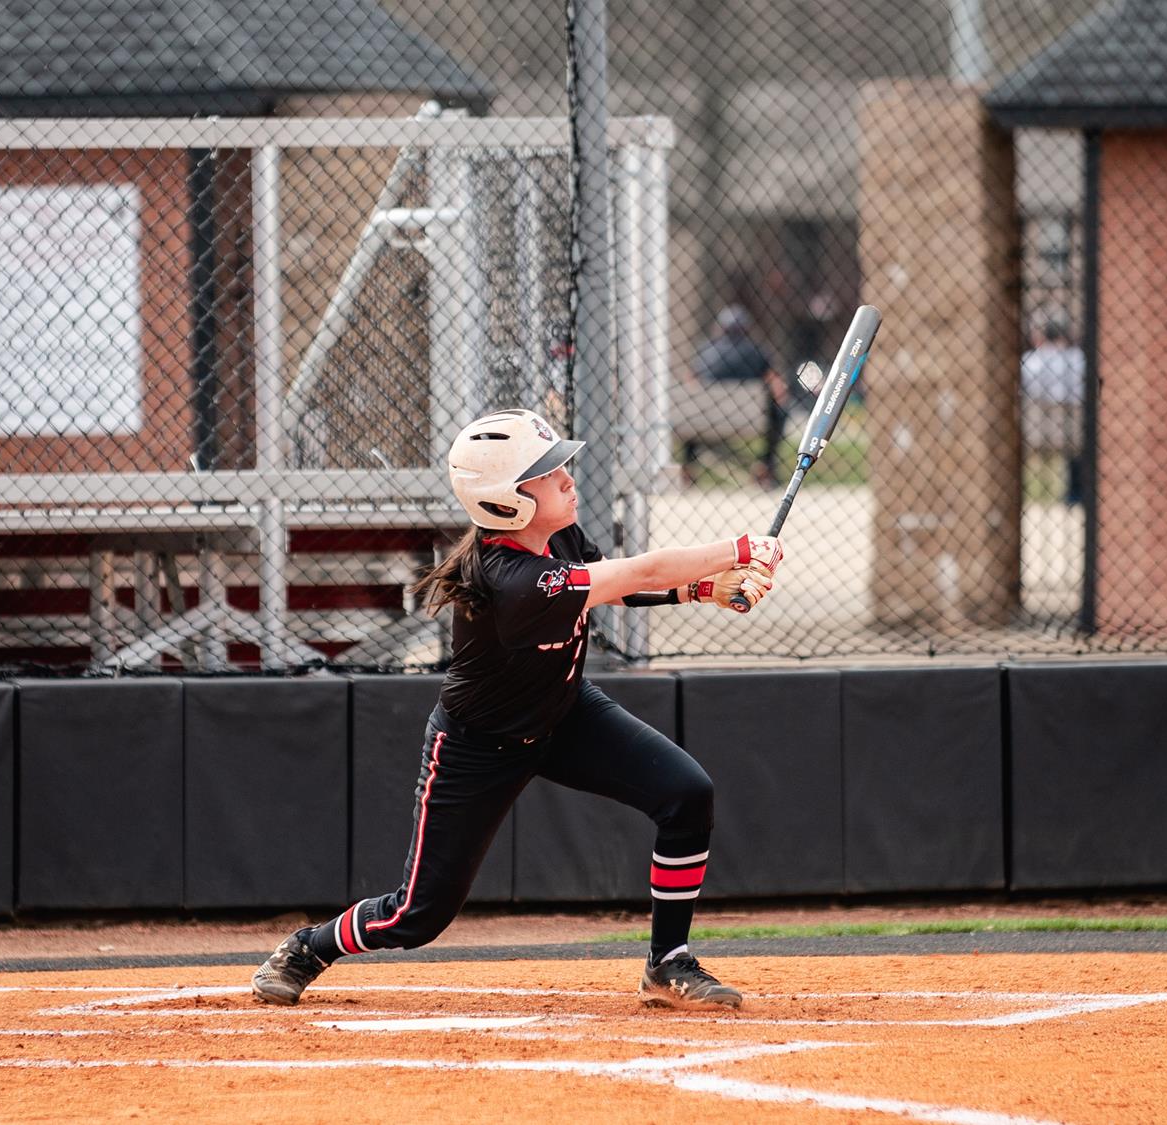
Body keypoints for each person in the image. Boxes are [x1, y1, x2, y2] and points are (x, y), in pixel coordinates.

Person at [250, 408, 783, 1011]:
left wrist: (702, 589)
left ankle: (667, 963)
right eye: (550, 474)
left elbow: (617, 584)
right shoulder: (512, 579)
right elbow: (642, 568)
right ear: (510, 500)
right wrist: (739, 548)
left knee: (687, 794)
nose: (568, 479)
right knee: (415, 915)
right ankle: (309, 948)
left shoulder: (560, 538)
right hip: (480, 746)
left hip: (564, 712)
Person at [687, 306, 790, 487]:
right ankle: (765, 467)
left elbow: (691, 384)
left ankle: (688, 469)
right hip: (750, 421)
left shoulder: (706, 352)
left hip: (706, 421)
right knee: (780, 412)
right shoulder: (756, 351)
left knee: (692, 409)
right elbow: (777, 386)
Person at [1021, 320, 1086, 505]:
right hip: (1072, 411)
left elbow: (1026, 385)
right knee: (1074, 454)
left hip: (1040, 412)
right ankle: (1074, 494)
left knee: (1036, 456)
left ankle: (1034, 495)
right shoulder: (1076, 357)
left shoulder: (1033, 359)